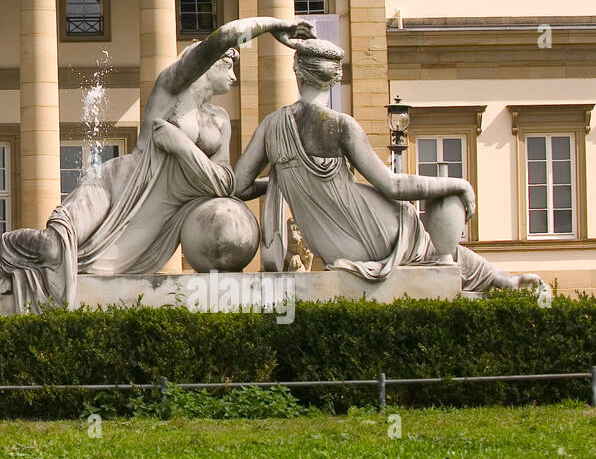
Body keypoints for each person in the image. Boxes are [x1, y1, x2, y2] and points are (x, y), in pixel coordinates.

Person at [0, 16, 315, 314]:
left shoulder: (220, 122)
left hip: (152, 226)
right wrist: (272, 26)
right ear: (211, 64)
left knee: (81, 273)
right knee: (52, 247)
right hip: (115, 187)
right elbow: (223, 36)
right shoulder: (171, 92)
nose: (235, 75)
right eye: (231, 64)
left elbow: (231, 186)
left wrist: (282, 179)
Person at [231, 38, 543, 292]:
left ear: (297, 72)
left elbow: (239, 186)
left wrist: (283, 178)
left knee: (428, 249)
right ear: (337, 78)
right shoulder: (341, 125)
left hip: (331, 245)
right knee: (425, 242)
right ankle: (500, 280)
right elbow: (393, 185)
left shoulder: (271, 126)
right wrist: (458, 184)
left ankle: (500, 279)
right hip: (372, 232)